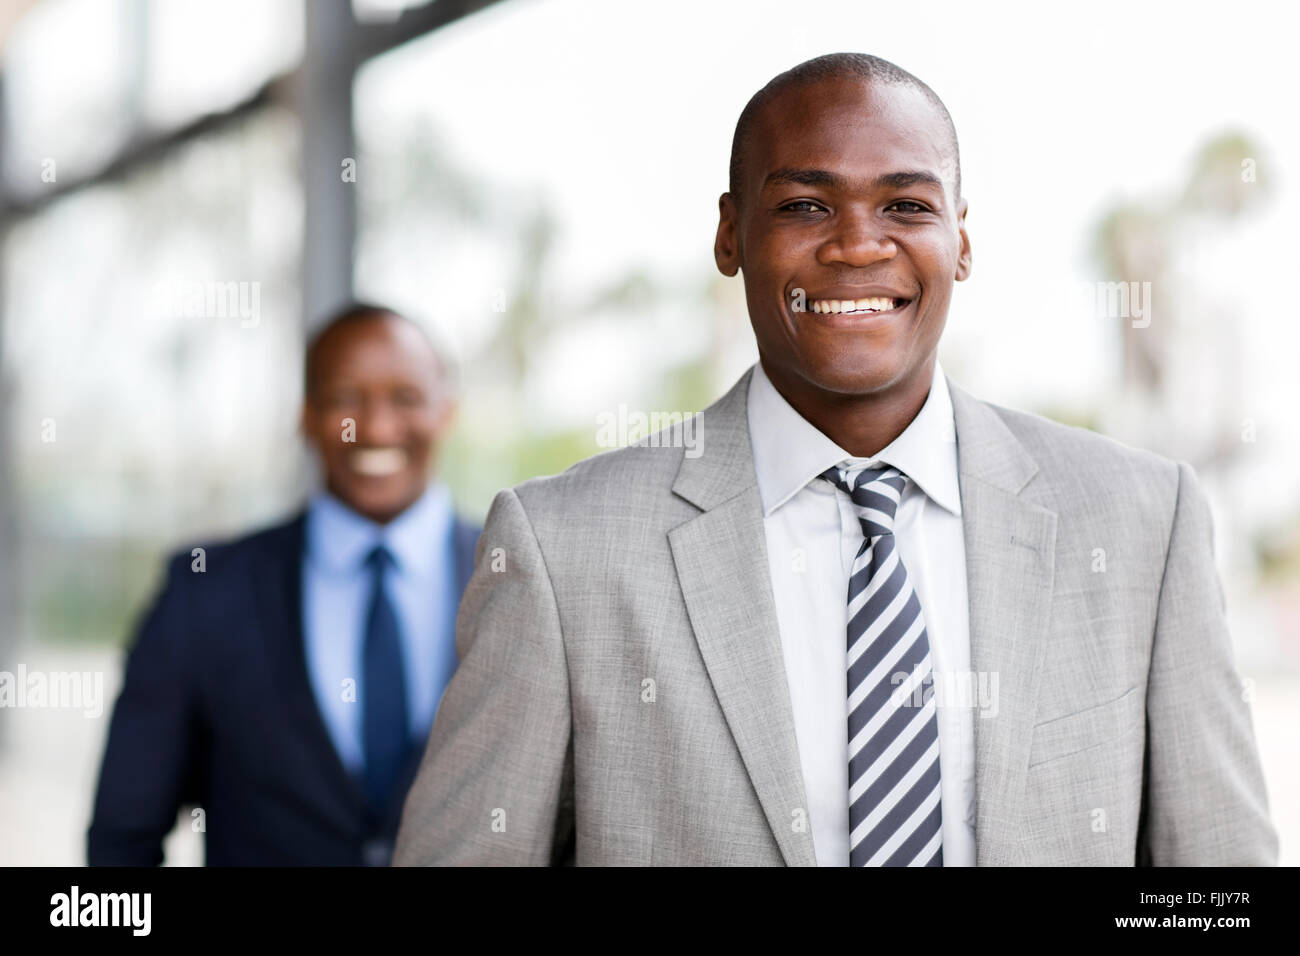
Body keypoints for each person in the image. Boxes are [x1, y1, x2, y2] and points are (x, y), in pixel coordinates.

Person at [393, 54, 1277, 866]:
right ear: (730, 235)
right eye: (805, 205)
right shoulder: (563, 548)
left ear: (961, 241)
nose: (858, 245)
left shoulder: (1138, 521)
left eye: (907, 206)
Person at [89, 304, 480, 866]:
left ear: (446, 412)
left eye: (405, 398)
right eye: (346, 398)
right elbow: (121, 841)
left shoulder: (519, 580)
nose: (374, 427)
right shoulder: (203, 591)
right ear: (306, 415)